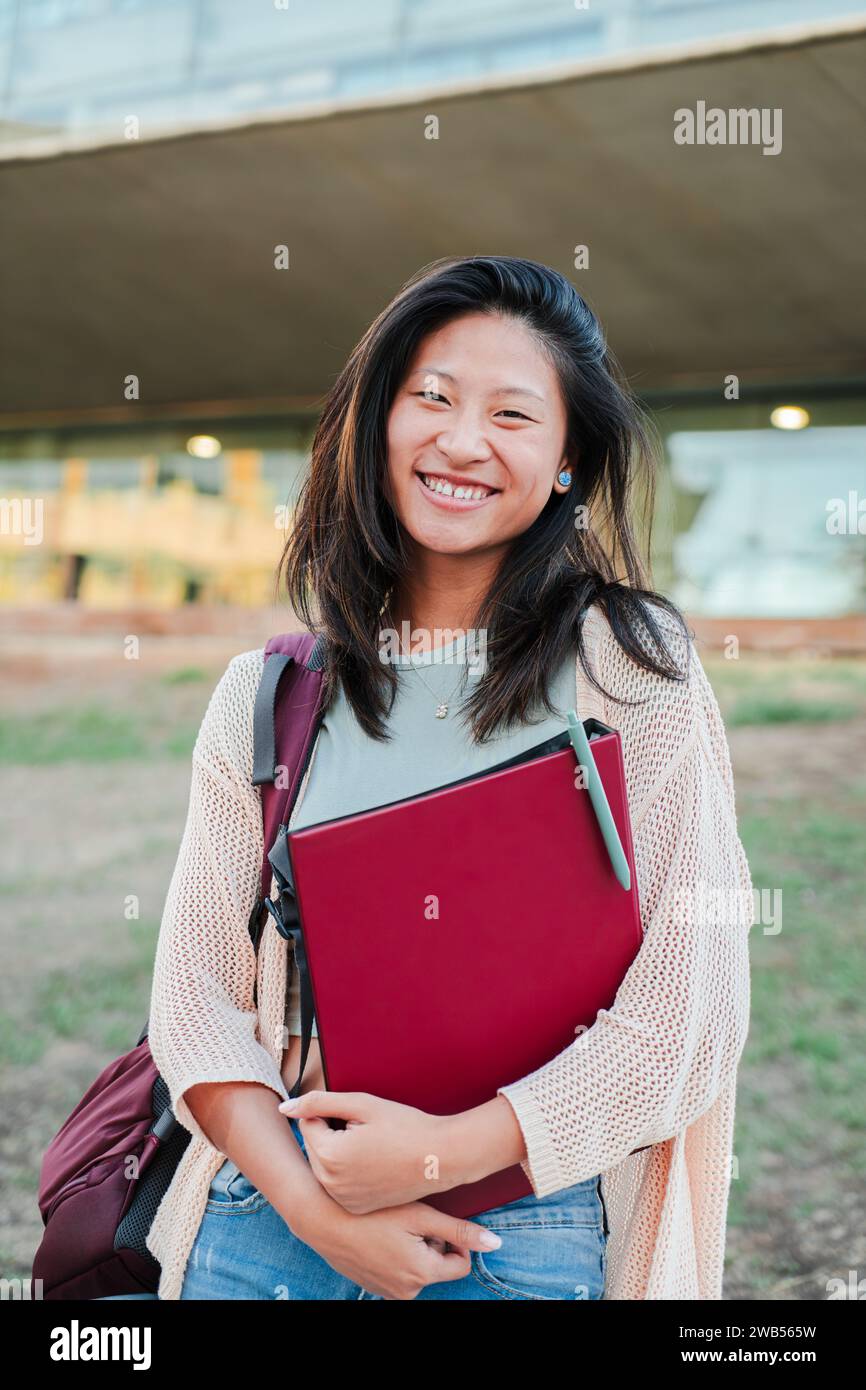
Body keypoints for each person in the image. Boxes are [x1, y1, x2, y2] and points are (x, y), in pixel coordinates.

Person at [145, 255, 753, 1301]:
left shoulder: (625, 669)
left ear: (568, 460)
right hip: (260, 1218)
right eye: (430, 397)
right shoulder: (269, 693)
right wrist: (314, 1208)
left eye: (512, 415)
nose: (461, 441)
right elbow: (193, 996)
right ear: (377, 422)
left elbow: (685, 1011)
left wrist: (445, 1151)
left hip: (515, 1229)